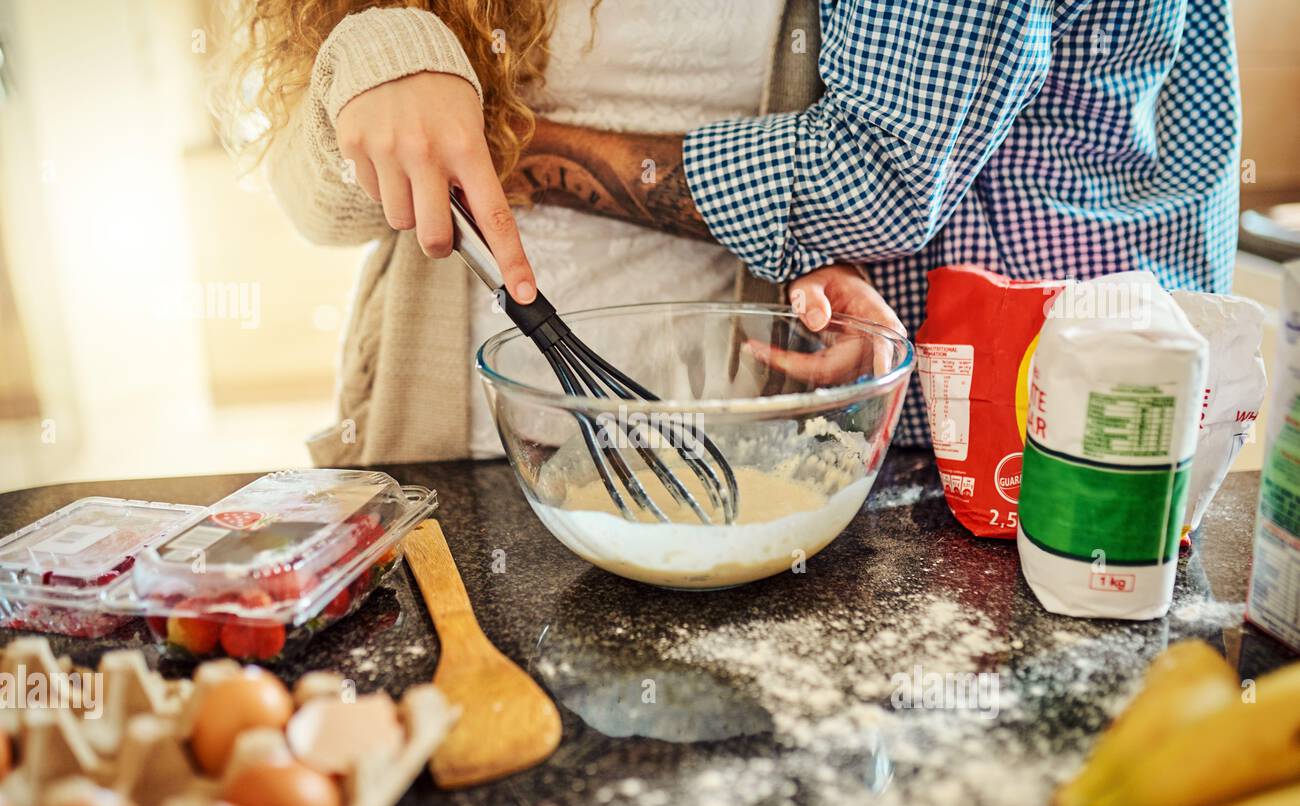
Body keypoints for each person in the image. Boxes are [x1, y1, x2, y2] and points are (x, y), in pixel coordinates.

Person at [226, 0, 1238, 463]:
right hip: (463, 435)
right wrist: (372, 57)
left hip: (733, 434)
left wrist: (826, 274)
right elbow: (323, 207)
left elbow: (851, 170)